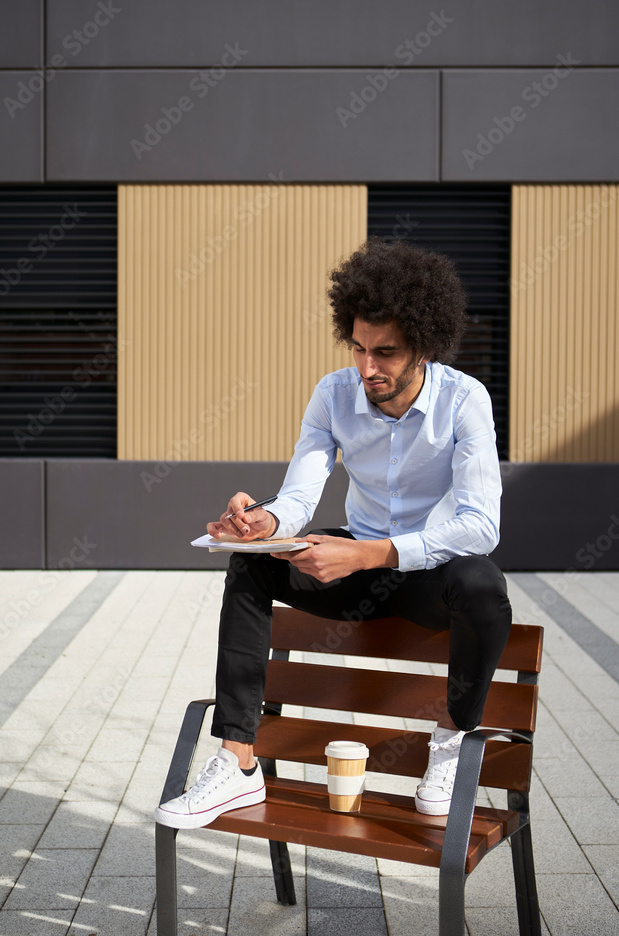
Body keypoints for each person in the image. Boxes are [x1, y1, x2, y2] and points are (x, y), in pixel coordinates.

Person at [155, 236, 512, 829]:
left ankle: (451, 740)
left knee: (483, 584)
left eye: (386, 353)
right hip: (353, 569)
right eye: (359, 348)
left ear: (423, 346)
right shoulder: (333, 394)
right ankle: (238, 763)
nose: (368, 367)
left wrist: (368, 553)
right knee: (253, 560)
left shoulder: (465, 400)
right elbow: (299, 496)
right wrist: (262, 523)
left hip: (428, 577)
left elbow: (481, 525)